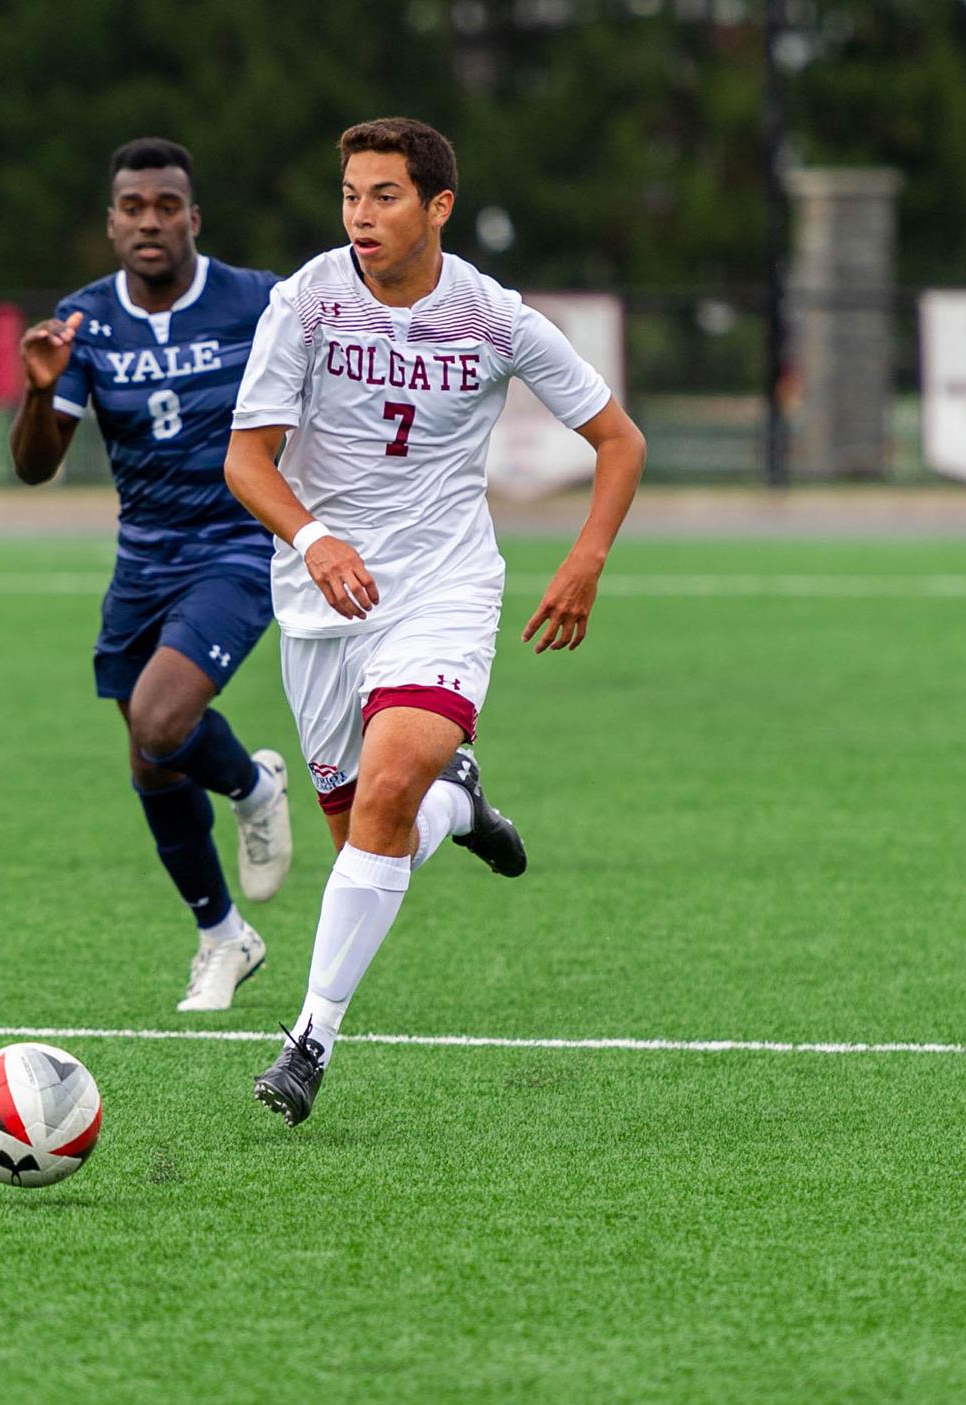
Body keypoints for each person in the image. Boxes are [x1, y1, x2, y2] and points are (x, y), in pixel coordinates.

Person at [224, 117, 646, 1124]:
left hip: (443, 585)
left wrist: (583, 561)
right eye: (350, 196)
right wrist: (316, 539)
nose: (360, 217)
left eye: (384, 195)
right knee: (372, 836)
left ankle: (308, 1040)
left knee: (387, 792)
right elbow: (246, 461)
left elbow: (618, 439)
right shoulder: (310, 301)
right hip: (325, 599)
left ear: (438, 206)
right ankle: (459, 807)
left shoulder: (495, 320)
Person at [9, 138, 295, 1011]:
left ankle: (251, 784)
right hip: (142, 561)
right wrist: (38, 391)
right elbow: (33, 467)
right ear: (111, 222)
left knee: (162, 716)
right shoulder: (84, 322)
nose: (149, 222)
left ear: (193, 219)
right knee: (149, 761)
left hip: (239, 545)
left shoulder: (259, 300)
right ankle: (222, 937)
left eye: (166, 205)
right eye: (132, 207)